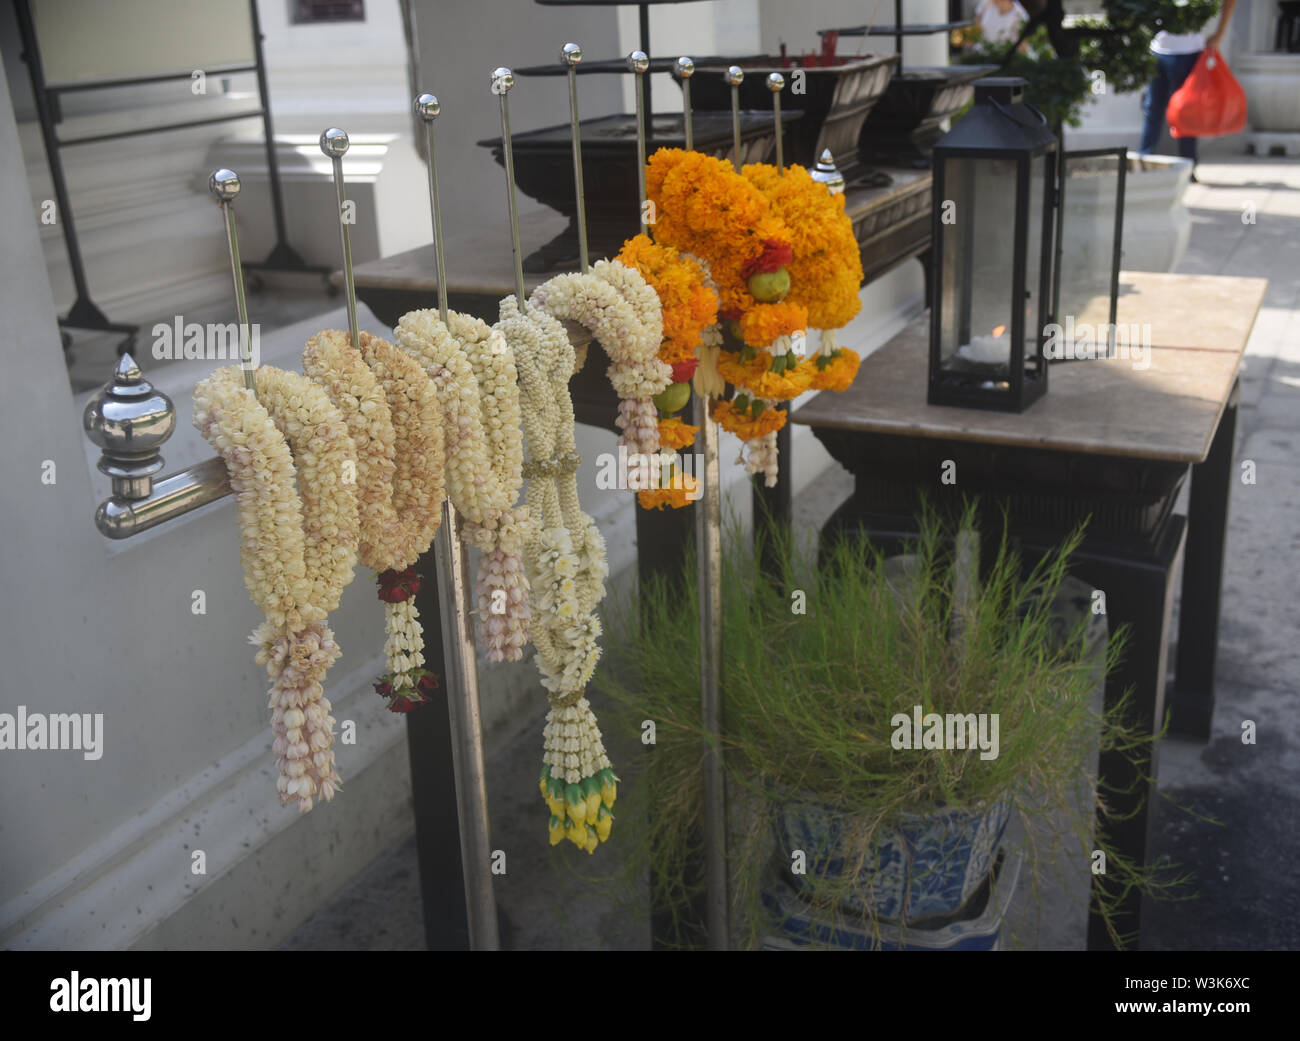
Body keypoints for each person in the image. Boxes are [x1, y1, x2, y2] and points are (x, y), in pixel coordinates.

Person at [1139, 0, 1238, 174]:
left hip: (1188, 54)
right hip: (1157, 50)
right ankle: (1142, 163)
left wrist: (1219, 33)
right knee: (1152, 109)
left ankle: (1188, 167)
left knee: (1187, 111)